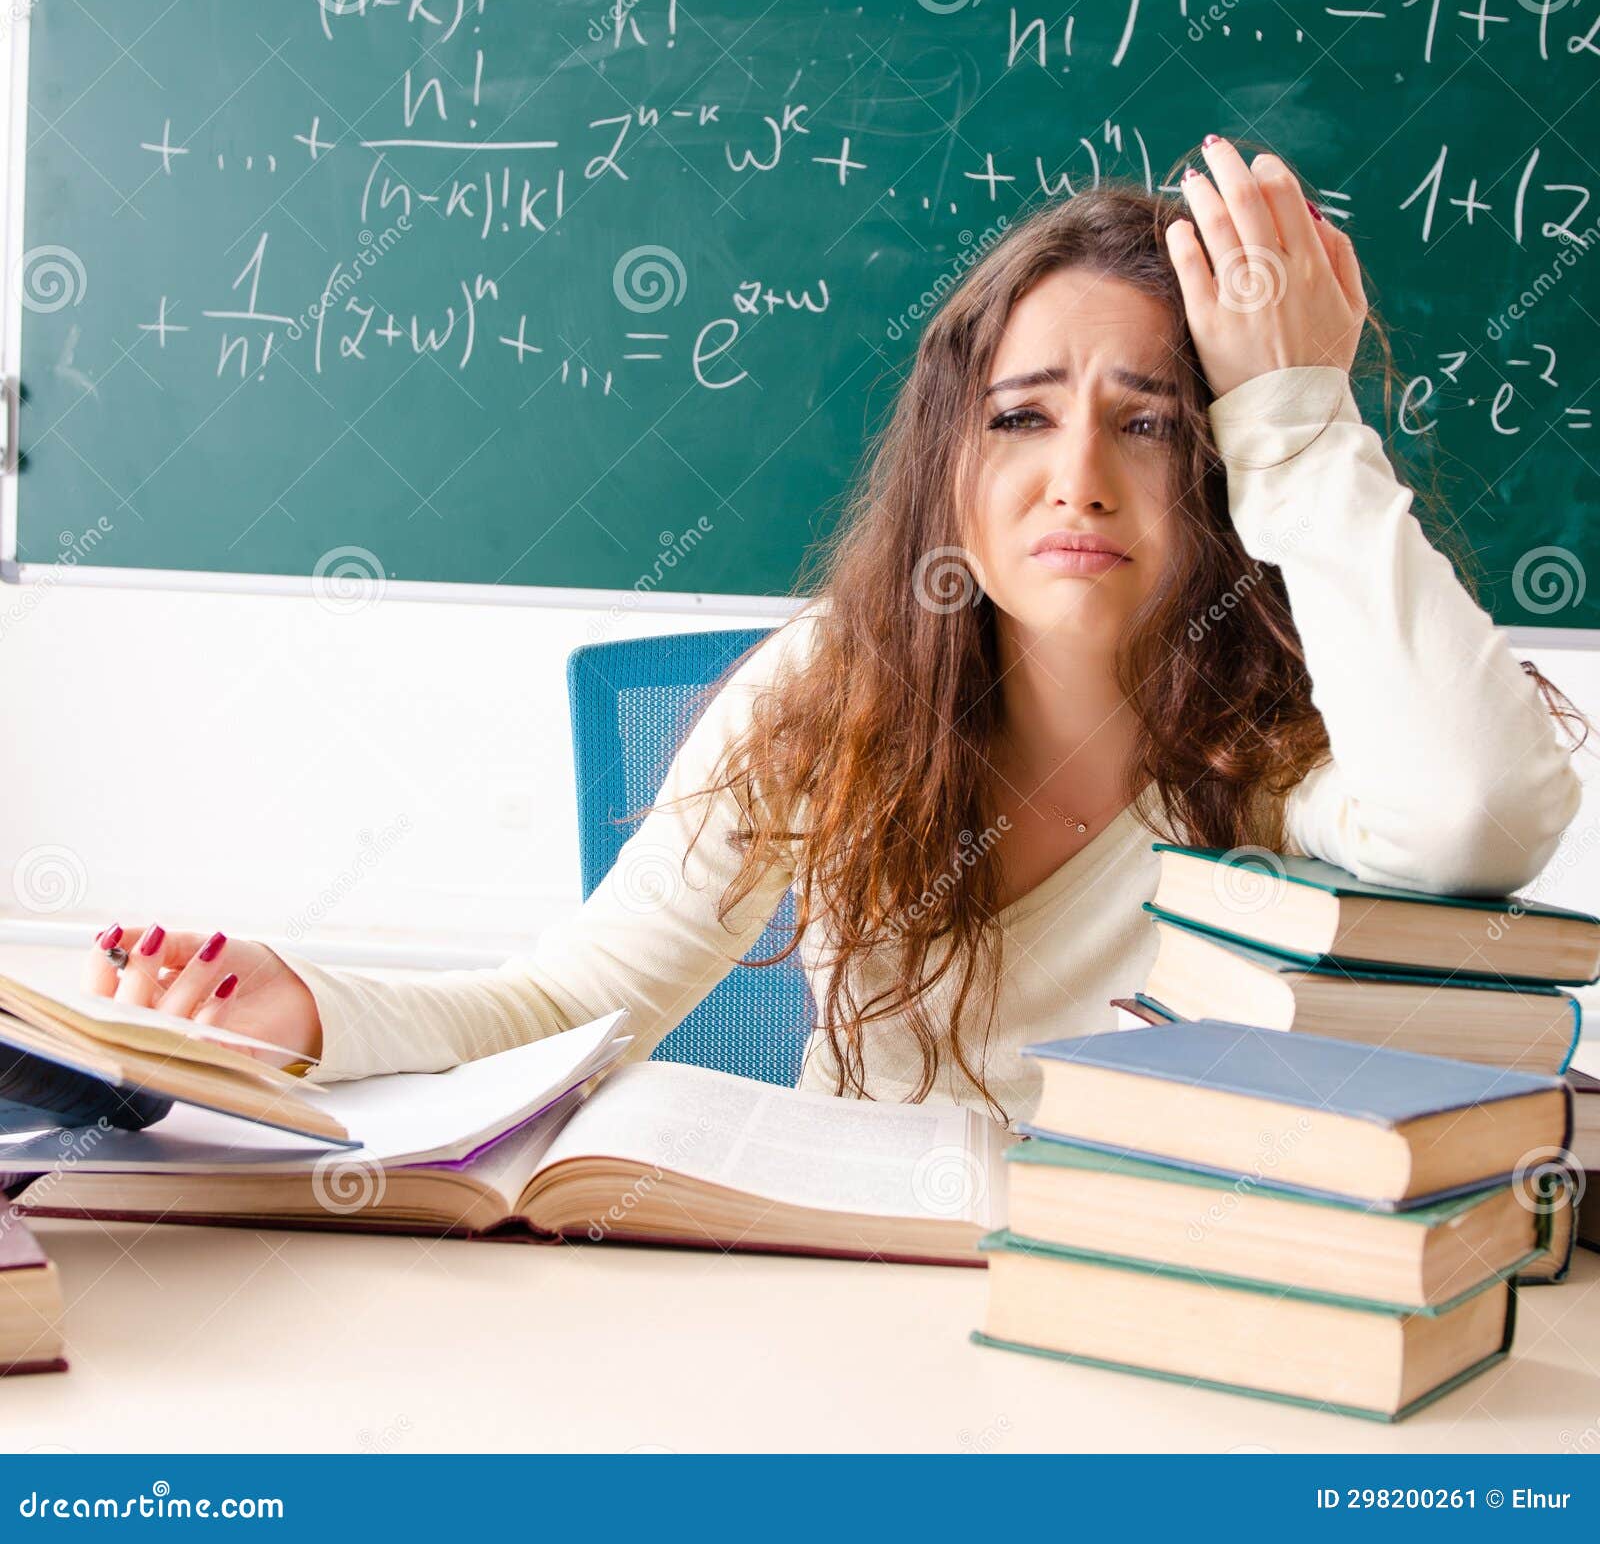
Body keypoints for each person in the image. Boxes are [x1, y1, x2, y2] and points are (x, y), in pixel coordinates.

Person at [81, 137, 1587, 1125]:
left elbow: (1480, 812)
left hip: (1154, 1325)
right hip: (844, 1296)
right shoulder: (834, 691)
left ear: (1224, 465)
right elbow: (568, 1005)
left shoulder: (1297, 743)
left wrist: (1299, 416)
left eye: (1154, 421)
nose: (1075, 479)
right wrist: (311, 1008)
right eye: (1019, 417)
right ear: (951, 458)